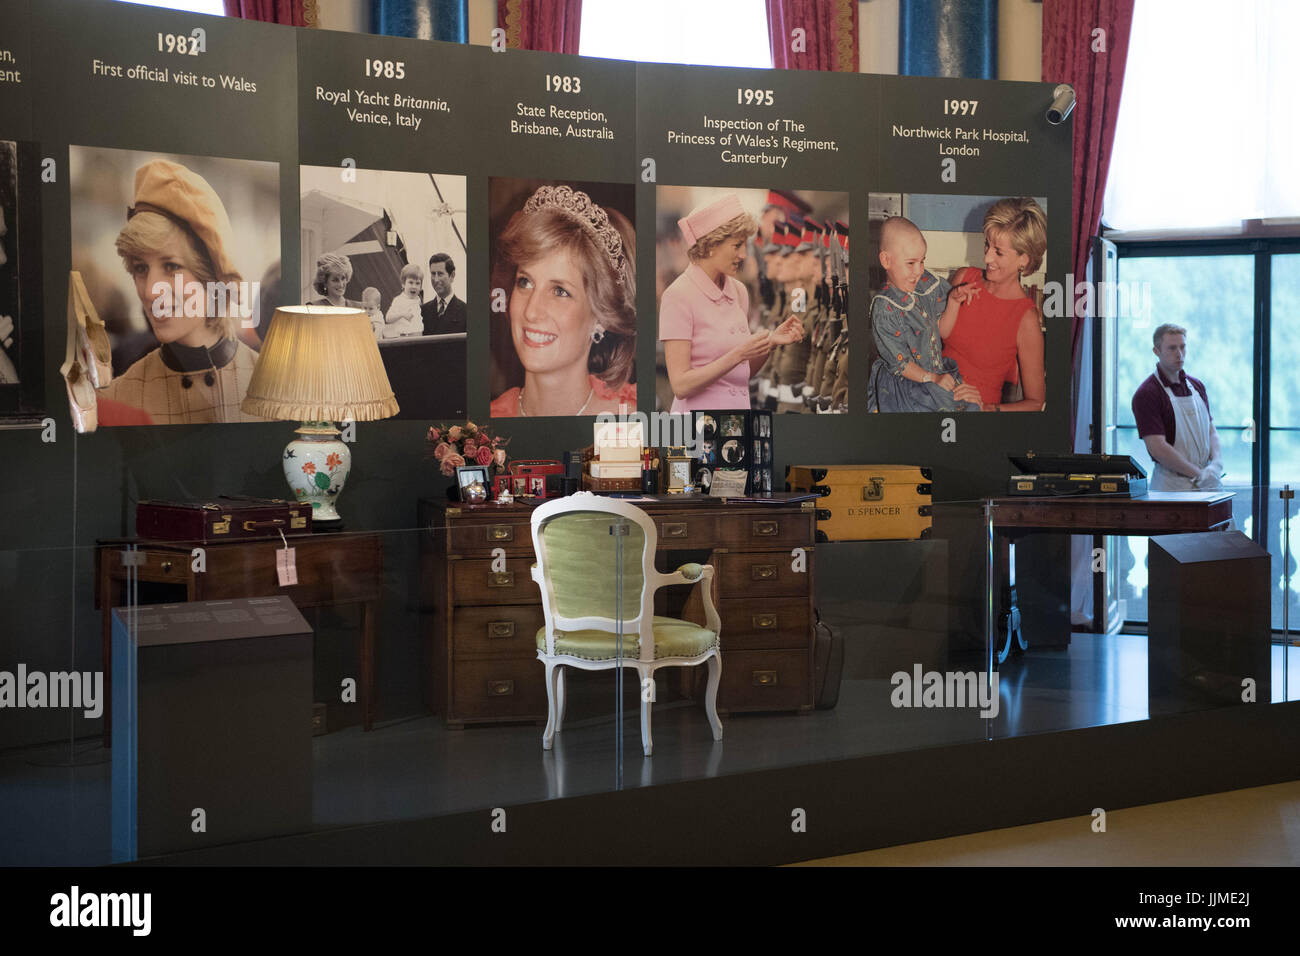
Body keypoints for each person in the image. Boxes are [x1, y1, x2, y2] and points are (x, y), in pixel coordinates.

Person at [98, 158, 262, 424]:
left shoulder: (273, 391)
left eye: (172, 266)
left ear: (211, 275)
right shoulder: (117, 400)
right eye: (140, 268)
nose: (151, 291)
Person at [489, 184, 637, 417]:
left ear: (601, 316)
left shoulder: (634, 419)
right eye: (525, 282)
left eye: (559, 291)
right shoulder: (482, 424)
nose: (531, 311)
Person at [660, 194, 804, 413]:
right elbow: (680, 385)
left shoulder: (739, 291)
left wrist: (770, 343)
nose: (744, 254)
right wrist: (738, 354)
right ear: (710, 245)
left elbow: (741, 374)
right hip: (696, 429)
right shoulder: (677, 295)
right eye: (737, 246)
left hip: (736, 422)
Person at [941, 197, 1047, 412]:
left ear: (1023, 260)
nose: (987, 257)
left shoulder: (1026, 318)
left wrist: (990, 409)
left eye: (998, 252)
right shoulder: (963, 279)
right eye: (987, 245)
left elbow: (1036, 402)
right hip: (932, 395)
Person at [867, 216, 980, 412]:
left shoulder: (925, 285)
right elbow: (900, 365)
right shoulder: (884, 308)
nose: (919, 271)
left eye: (922, 261)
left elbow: (943, 332)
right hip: (905, 385)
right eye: (911, 263)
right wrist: (932, 378)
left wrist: (953, 301)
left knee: (971, 406)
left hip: (933, 376)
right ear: (886, 260)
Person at [1131, 323, 1223, 491]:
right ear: (1156, 351)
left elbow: (1211, 431)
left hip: (1208, 482)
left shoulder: (1197, 386)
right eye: (1172, 348)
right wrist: (1198, 474)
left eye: (1182, 347)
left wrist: (1216, 465)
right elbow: (1157, 447)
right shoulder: (1147, 394)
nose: (1179, 354)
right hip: (1171, 487)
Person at [421, 252, 466, 335]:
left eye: (440, 274)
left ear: (452, 276)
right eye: (433, 274)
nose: (436, 279)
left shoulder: (466, 312)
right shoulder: (423, 311)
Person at [382, 262, 424, 338]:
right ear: (403, 284)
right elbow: (388, 318)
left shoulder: (418, 300)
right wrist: (402, 314)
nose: (414, 286)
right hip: (404, 337)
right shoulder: (398, 300)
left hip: (418, 336)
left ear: (421, 287)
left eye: (417, 283)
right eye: (410, 282)